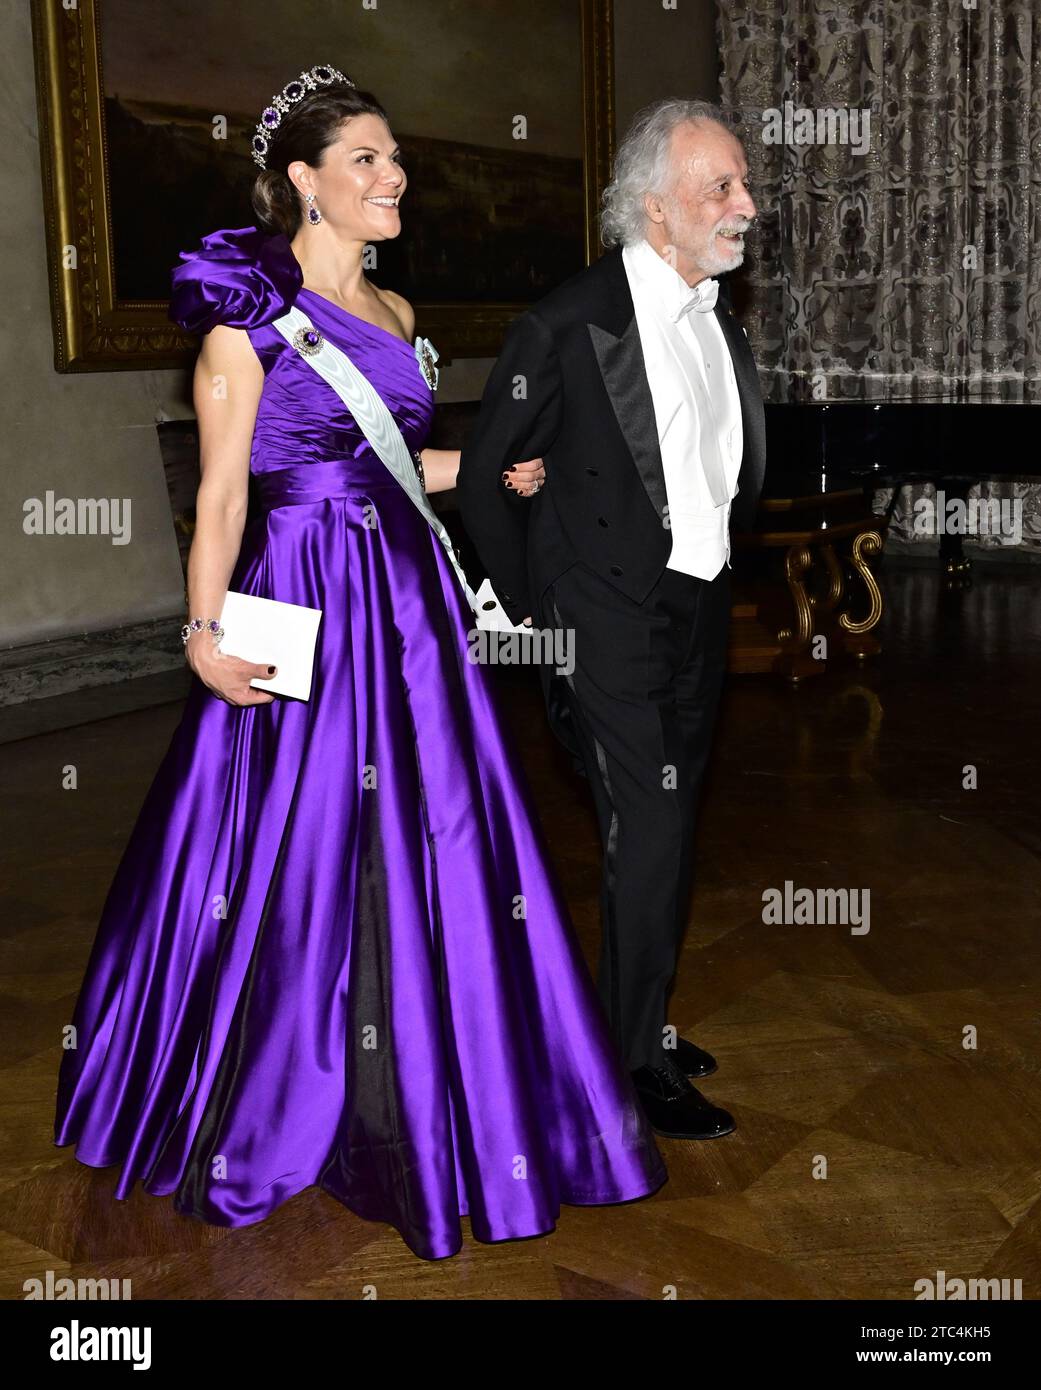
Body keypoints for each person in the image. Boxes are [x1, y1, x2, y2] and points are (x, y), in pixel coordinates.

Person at [54, 66, 667, 1261]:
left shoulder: (396, 317)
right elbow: (224, 493)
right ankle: (267, 1094)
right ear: (305, 182)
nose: (397, 178)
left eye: (396, 160)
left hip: (405, 602)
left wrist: (488, 471)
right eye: (369, 162)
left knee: (433, 832)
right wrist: (202, 633)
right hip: (296, 593)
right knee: (290, 835)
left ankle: (427, 1089)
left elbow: (399, 465)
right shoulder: (248, 319)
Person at [457, 99, 765, 1141]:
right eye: (719, 187)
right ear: (654, 208)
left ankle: (642, 1018)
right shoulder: (564, 323)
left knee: (663, 835)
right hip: (603, 621)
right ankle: (630, 1067)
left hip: (697, 608)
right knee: (653, 830)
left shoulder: (715, 310)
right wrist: (551, 617)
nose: (746, 205)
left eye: (741, 181)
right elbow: (486, 488)